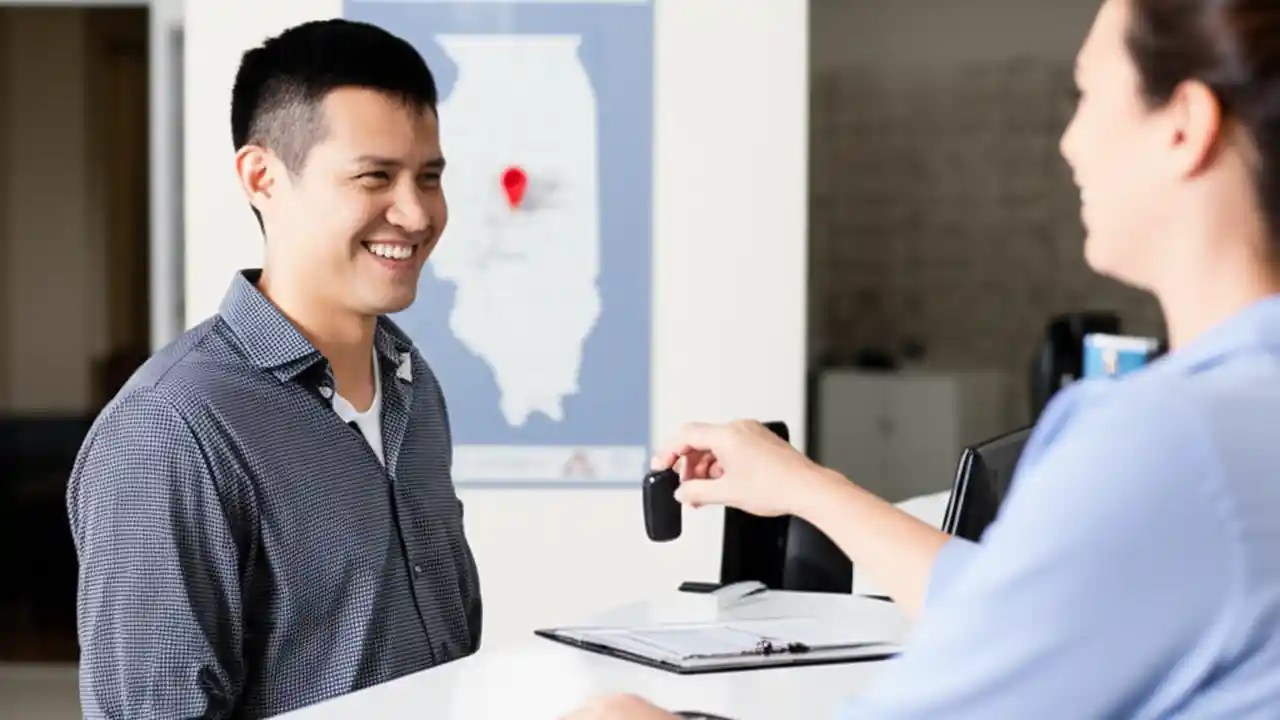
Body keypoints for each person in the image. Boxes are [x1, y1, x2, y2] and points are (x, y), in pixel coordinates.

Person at [568, 0, 1280, 716]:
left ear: (1184, 126)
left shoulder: (1170, 443)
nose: (1070, 143)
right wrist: (808, 488)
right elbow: (1022, 613)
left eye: (1088, 95)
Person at [67, 19, 481, 718]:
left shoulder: (413, 382)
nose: (414, 213)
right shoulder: (170, 431)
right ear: (263, 177)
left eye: (429, 177)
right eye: (374, 176)